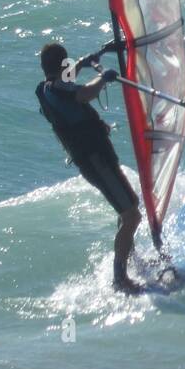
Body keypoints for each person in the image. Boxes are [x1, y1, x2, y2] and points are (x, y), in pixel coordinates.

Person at [35, 41, 143, 294]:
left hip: (98, 157)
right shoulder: (56, 90)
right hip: (95, 160)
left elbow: (68, 76)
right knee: (131, 215)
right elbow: (84, 94)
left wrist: (92, 58)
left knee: (130, 208)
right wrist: (103, 78)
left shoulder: (47, 87)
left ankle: (132, 263)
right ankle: (120, 279)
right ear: (62, 65)